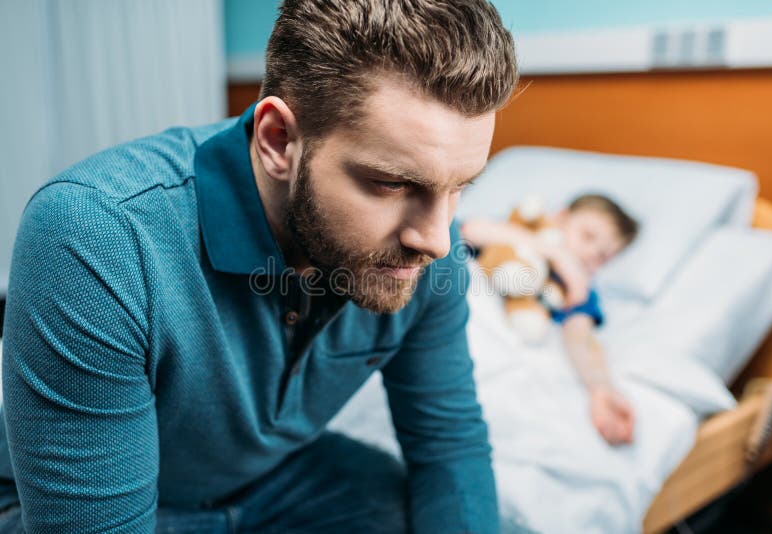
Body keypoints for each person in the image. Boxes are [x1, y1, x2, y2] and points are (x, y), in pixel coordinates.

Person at [0, 1, 518, 532]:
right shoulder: (94, 235)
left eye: (459, 186)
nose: (433, 240)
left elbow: (447, 445)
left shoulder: (425, 241)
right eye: (392, 183)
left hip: (282, 483)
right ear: (278, 140)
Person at [460, 194, 639, 445]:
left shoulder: (578, 288)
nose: (589, 254)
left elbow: (579, 336)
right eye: (587, 236)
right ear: (560, 218)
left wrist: (601, 389)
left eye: (602, 258)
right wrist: (557, 254)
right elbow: (470, 230)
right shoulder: (516, 231)